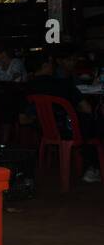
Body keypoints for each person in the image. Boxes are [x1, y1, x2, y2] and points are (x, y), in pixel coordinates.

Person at [25, 52, 99, 182]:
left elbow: (23, 118)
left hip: (43, 130)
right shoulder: (63, 85)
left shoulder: (27, 87)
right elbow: (87, 108)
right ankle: (93, 167)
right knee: (95, 122)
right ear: (46, 65)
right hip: (68, 129)